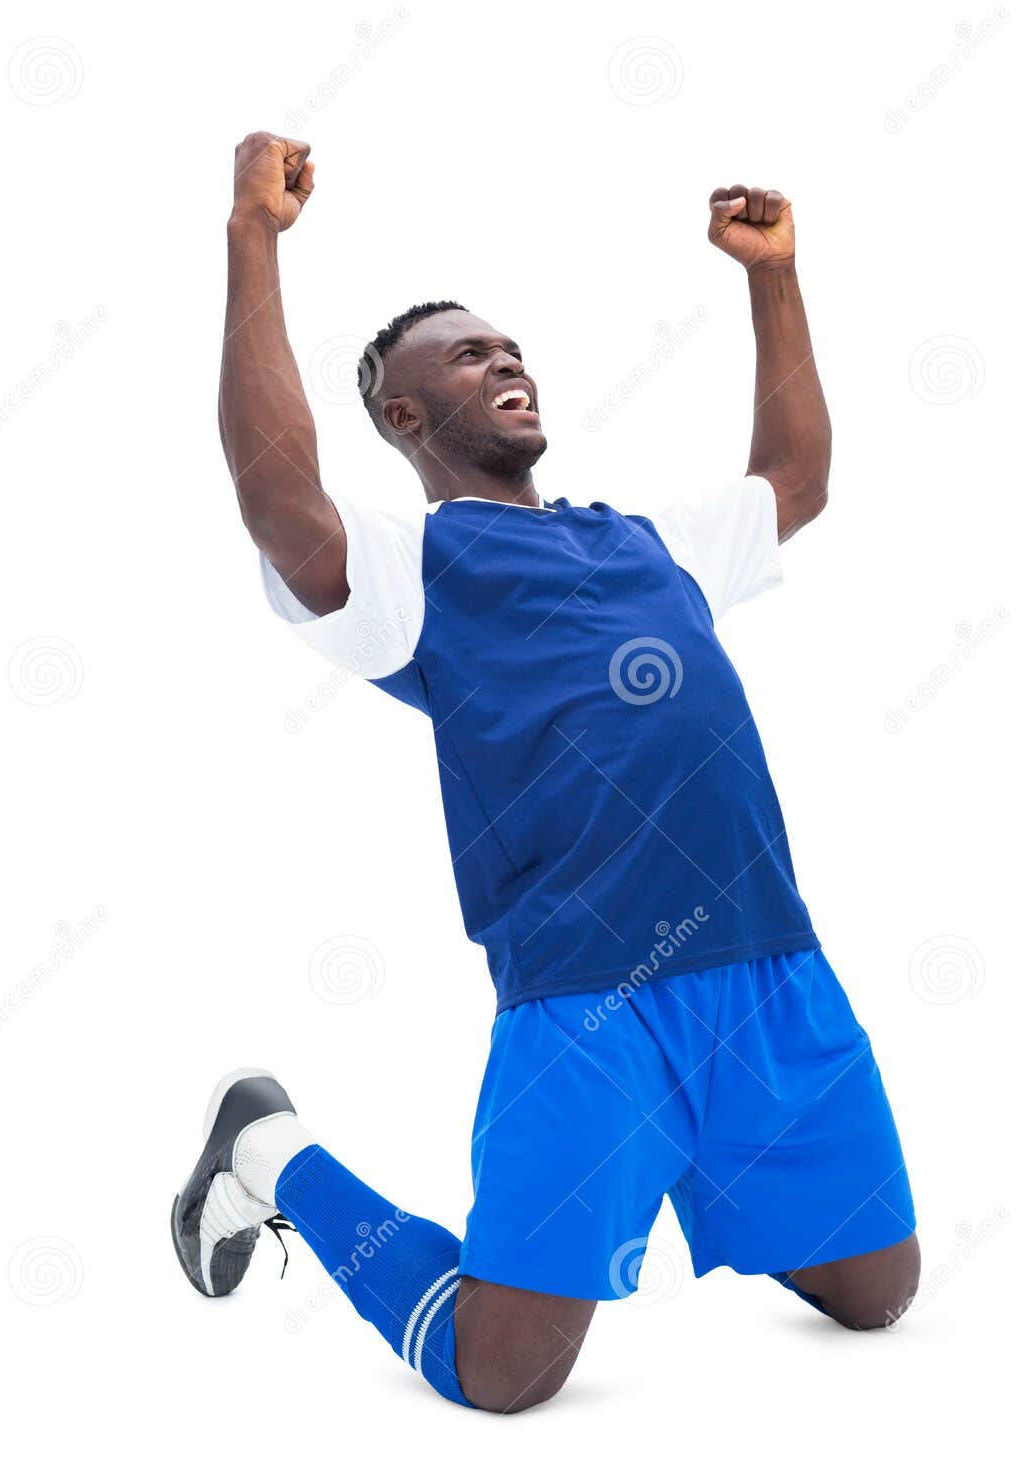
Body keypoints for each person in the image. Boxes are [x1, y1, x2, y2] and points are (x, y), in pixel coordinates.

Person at [171, 132, 919, 1414]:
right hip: (587, 1002)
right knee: (499, 1373)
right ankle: (265, 1145)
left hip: (767, 970)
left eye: (508, 346)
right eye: (468, 355)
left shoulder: (651, 544)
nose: (504, 360)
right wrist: (253, 241)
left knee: (879, 1296)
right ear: (404, 417)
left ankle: (696, 1150)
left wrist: (771, 277)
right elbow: (278, 496)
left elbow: (795, 479)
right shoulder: (413, 573)